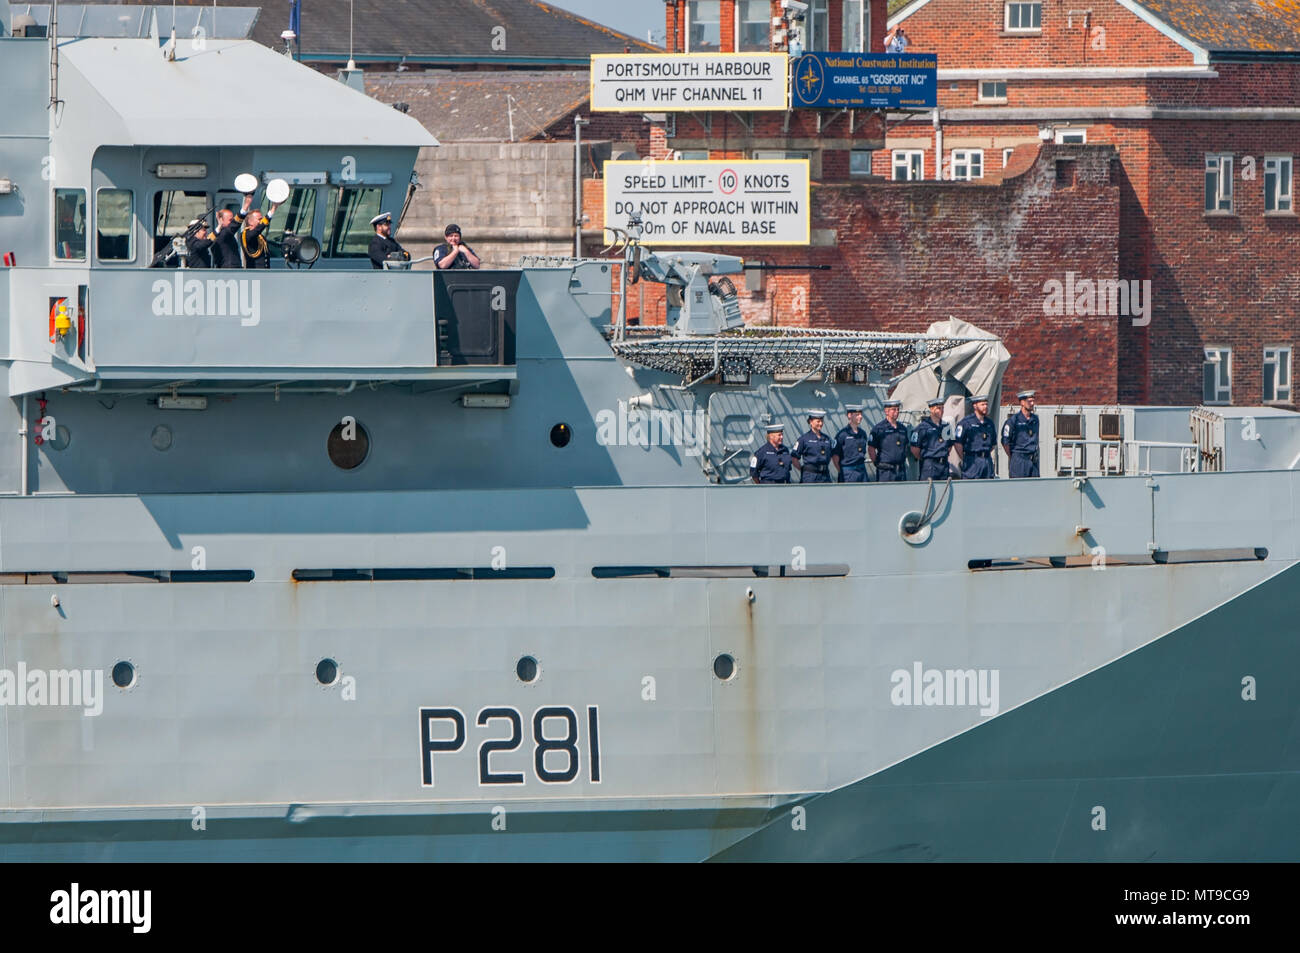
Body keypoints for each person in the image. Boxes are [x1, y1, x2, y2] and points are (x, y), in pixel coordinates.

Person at [955, 394, 997, 479]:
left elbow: (993, 444)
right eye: (982, 404)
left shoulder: (989, 423)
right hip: (972, 460)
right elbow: (958, 443)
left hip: (986, 460)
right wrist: (965, 458)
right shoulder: (966, 423)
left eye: (986, 404)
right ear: (975, 406)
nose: (985, 407)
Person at [911, 396, 953, 480]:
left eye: (942, 408)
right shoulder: (922, 428)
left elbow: (949, 446)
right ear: (931, 409)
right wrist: (927, 458)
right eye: (938, 408)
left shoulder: (946, 426)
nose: (941, 411)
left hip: (943, 464)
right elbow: (914, 449)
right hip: (930, 465)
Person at [869, 399, 910, 482]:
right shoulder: (879, 429)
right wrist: (877, 464)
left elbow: (905, 446)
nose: (897, 412)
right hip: (886, 471)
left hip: (901, 470)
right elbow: (871, 448)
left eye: (898, 409)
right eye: (894, 409)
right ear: (886, 411)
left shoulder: (903, 429)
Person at [1002, 390, 1041, 478]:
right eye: (1029, 401)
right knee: (1018, 488)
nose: (1032, 403)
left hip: (1033, 459)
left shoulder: (1035, 419)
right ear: (1022, 402)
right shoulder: (1013, 421)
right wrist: (1013, 456)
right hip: (1019, 459)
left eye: (1033, 401)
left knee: (1035, 488)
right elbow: (1005, 442)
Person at [792, 410, 834, 483]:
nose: (820, 423)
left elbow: (830, 455)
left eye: (822, 421)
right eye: (818, 421)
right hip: (810, 476)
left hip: (825, 475)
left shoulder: (827, 439)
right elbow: (794, 458)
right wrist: (803, 470)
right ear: (811, 422)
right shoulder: (804, 439)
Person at [210, 196, 251, 268]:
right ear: (221, 220)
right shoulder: (223, 234)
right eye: (230, 220)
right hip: (229, 268)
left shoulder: (219, 234)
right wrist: (245, 207)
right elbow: (235, 224)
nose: (232, 222)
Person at [832, 404, 870, 483]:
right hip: (848, 471)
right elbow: (835, 456)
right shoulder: (842, 435)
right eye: (857, 415)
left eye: (861, 414)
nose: (860, 417)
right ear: (849, 415)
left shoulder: (863, 433)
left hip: (861, 470)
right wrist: (842, 471)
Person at [240, 202, 281, 269]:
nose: (261, 221)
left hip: (265, 272)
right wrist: (273, 209)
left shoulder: (260, 237)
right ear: (250, 221)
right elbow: (257, 230)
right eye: (259, 219)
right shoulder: (246, 235)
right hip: (255, 272)